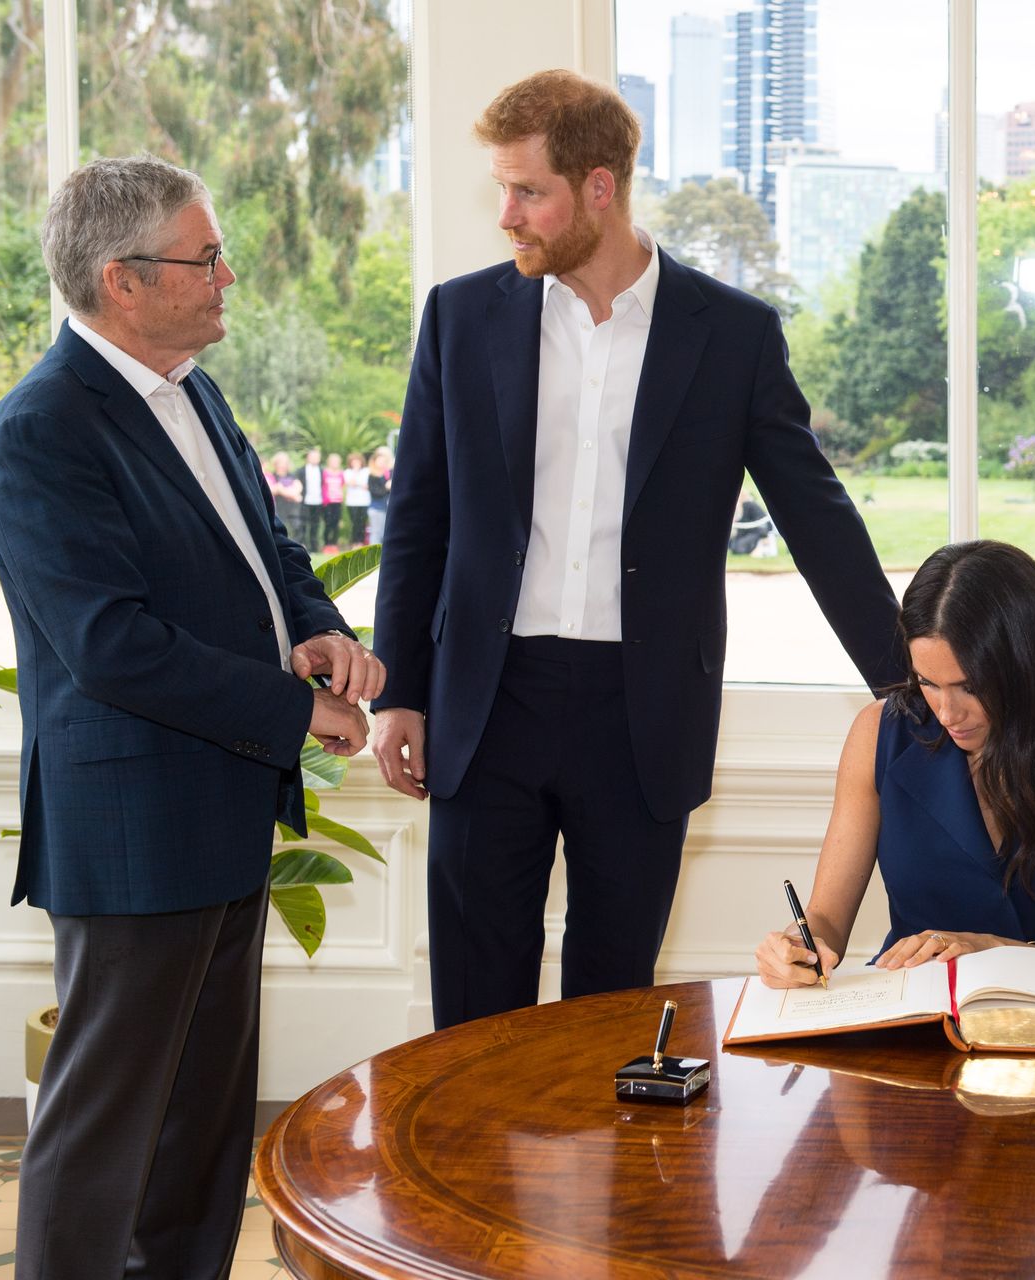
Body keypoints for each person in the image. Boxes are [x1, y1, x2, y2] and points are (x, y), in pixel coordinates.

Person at [370, 70, 901, 1027]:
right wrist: (401, 687)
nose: (507, 215)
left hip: (642, 715)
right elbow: (421, 513)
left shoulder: (732, 336)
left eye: (528, 190)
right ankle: (468, 1180)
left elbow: (815, 513)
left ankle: (603, 1179)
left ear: (601, 186)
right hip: (484, 707)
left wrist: (905, 682)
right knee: (474, 1004)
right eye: (503, 189)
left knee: (610, 1002)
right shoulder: (460, 317)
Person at [0, 154, 385, 1279]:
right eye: (204, 259)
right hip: (131, 825)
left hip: (220, 807)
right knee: (104, 1128)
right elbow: (110, 644)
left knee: (204, 1123)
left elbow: (266, 548)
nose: (228, 275)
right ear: (124, 279)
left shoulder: (193, 391)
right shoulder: (43, 428)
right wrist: (294, 707)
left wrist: (317, 629)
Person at [755, 540, 1035, 987]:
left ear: (1027, 665)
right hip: (909, 1019)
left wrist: (1002, 953)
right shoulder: (878, 734)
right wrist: (797, 945)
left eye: (970, 686)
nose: (947, 712)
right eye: (928, 682)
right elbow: (825, 920)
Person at [265, 449, 304, 535]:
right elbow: (274, 489)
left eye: (285, 462)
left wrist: (283, 490)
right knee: (279, 528)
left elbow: (299, 487)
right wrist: (293, 495)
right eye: (280, 462)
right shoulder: (272, 476)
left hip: (293, 509)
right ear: (275, 464)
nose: (283, 465)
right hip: (279, 508)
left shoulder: (292, 476)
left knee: (297, 527)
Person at [728, 487, 774, 556]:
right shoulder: (748, 505)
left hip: (758, 531)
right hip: (753, 530)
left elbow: (751, 523)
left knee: (739, 546)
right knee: (734, 544)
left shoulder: (748, 505)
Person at [299, 445, 325, 550]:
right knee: (304, 524)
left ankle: (314, 547)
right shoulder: (301, 471)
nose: (315, 459)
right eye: (313, 457)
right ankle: (304, 545)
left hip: (318, 501)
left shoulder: (322, 471)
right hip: (305, 501)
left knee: (315, 525)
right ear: (308, 458)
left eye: (317, 457)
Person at [365, 444, 393, 543]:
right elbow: (375, 492)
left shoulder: (388, 474)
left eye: (384, 461)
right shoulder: (372, 476)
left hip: (386, 508)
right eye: (380, 460)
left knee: (384, 533)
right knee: (377, 533)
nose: (382, 463)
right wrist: (386, 487)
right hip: (377, 508)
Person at [343, 450, 372, 544]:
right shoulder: (347, 472)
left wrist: (358, 484)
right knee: (355, 522)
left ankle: (361, 542)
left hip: (364, 501)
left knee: (362, 523)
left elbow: (368, 485)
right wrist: (356, 473)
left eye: (358, 461)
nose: (356, 464)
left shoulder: (367, 471)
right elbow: (351, 483)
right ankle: (355, 542)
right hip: (352, 502)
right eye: (354, 462)